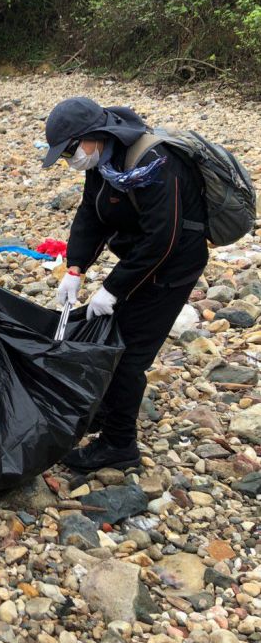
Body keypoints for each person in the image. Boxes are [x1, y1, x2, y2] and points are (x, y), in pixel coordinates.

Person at [46, 97, 209, 472]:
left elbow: (162, 238)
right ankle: (107, 409)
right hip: (142, 260)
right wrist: (75, 267)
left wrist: (114, 289)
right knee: (110, 332)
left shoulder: (154, 160)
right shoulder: (105, 161)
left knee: (128, 353)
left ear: (94, 135)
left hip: (173, 266)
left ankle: (120, 446)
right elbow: (92, 214)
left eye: (71, 149)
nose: (71, 158)